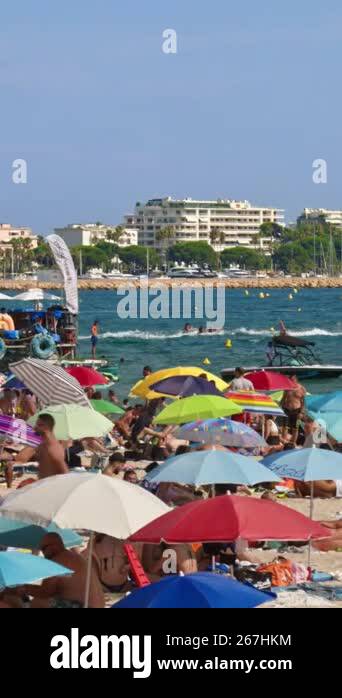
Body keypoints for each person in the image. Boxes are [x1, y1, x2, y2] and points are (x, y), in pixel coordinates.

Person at [21, 533, 105, 608]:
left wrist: (23, 588)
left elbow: (45, 591)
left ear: (53, 546)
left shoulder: (59, 560)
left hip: (84, 606)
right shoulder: (74, 557)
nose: (43, 553)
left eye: (43, 549)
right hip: (94, 605)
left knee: (39, 602)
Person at [34, 414, 68, 478]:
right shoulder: (43, 445)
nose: (35, 427)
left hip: (51, 485)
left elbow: (65, 472)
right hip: (43, 484)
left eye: (39, 425)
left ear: (46, 427)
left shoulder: (53, 447)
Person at [281, 374, 306, 443]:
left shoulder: (302, 388)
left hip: (297, 411)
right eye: (290, 380)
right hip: (286, 410)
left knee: (296, 428)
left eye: (292, 380)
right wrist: (279, 408)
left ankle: (293, 443)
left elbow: (304, 402)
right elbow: (283, 399)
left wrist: (301, 412)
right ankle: (284, 442)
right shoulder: (287, 388)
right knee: (285, 427)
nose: (291, 381)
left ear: (296, 379)